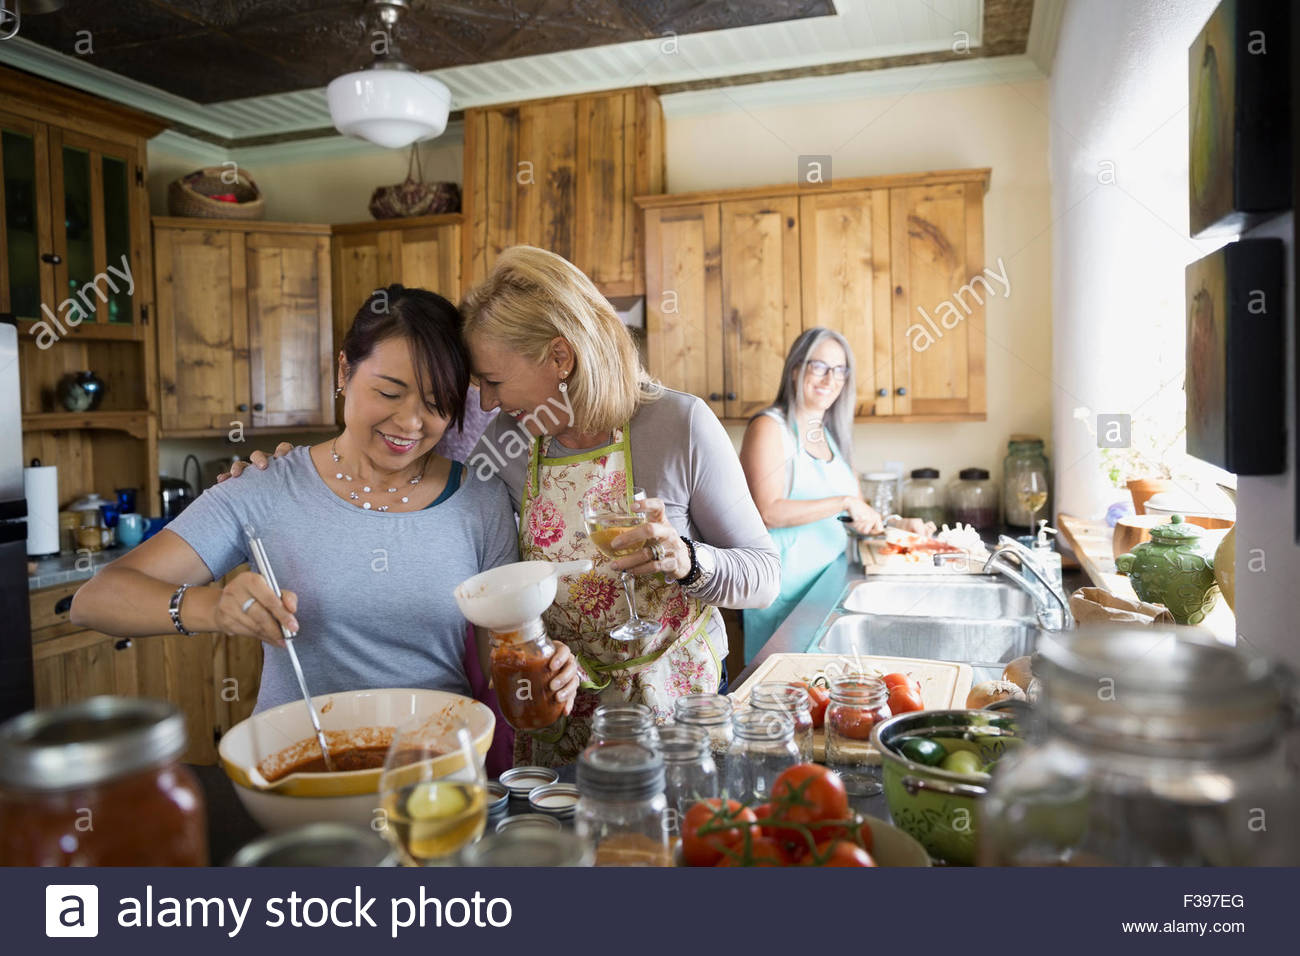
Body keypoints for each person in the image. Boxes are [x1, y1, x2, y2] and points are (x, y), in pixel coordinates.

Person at [71, 285, 581, 716]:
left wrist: (547, 673)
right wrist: (212, 607)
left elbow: (503, 661)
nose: (409, 423)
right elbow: (94, 600)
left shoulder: (480, 498)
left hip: (436, 775)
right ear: (344, 372)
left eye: (435, 403)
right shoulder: (265, 486)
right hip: (301, 772)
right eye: (388, 392)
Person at [461, 246, 779, 766]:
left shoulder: (680, 425)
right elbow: (492, 573)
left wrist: (688, 561)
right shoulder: (506, 445)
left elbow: (764, 576)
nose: (489, 405)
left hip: (678, 708)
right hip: (565, 712)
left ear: (560, 358)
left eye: (494, 382)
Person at [738, 327, 927, 661]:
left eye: (840, 370)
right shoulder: (770, 428)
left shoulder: (832, 436)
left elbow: (858, 515)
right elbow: (767, 510)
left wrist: (898, 525)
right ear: (796, 369)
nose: (830, 379)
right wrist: (843, 501)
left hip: (827, 594)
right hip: (784, 600)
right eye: (819, 367)